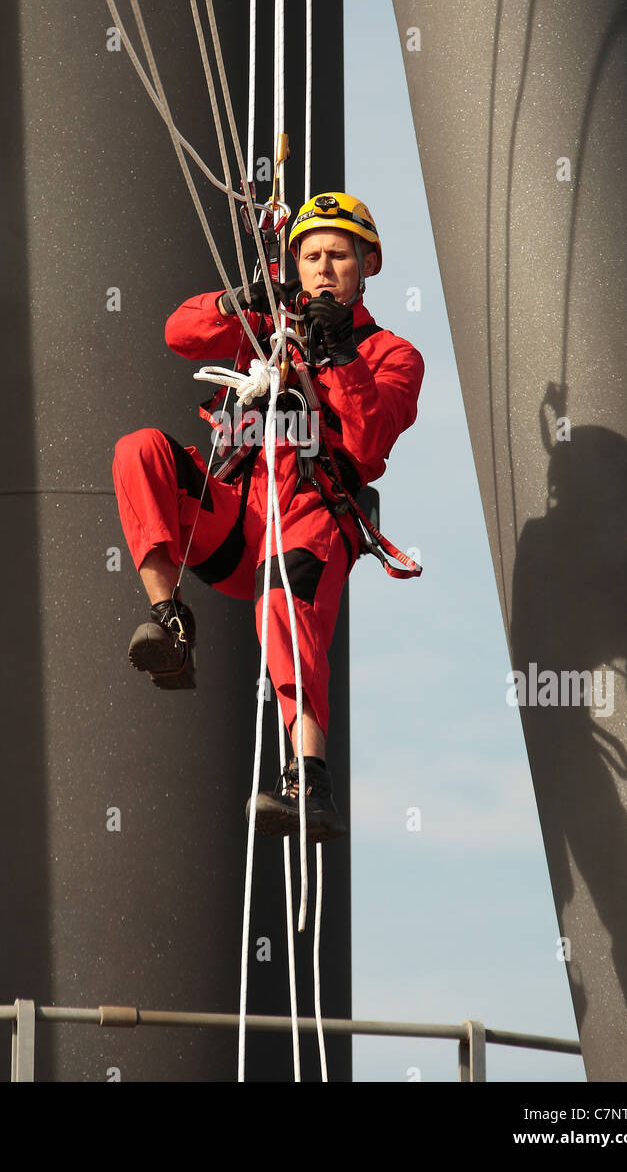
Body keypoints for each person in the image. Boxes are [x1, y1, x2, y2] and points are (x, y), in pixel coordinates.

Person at [111, 192, 424, 841]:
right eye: (311, 255)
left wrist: (339, 352)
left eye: (338, 255)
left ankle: (310, 778)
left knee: (284, 609)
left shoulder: (393, 355)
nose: (323, 268)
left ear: (368, 264)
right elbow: (179, 333)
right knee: (139, 449)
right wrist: (241, 300)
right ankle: (169, 620)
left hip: (310, 510)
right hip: (235, 509)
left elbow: (368, 443)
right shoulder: (267, 327)